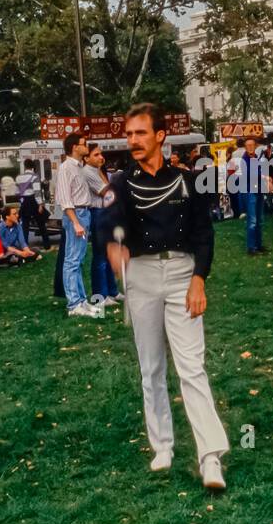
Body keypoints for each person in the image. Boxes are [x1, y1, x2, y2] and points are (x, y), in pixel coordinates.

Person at [104, 103, 230, 490]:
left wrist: (199, 280)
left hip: (181, 274)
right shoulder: (120, 184)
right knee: (151, 367)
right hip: (141, 276)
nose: (133, 141)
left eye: (140, 133)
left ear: (160, 136)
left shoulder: (188, 181)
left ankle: (211, 456)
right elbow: (111, 227)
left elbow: (204, 235)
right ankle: (162, 445)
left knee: (191, 366)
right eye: (129, 135)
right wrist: (114, 248)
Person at [54, 133, 101, 317]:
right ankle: (74, 304)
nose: (86, 147)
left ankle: (81, 300)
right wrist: (75, 222)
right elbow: (65, 200)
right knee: (72, 261)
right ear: (75, 147)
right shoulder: (66, 168)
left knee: (78, 260)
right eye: (84, 144)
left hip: (84, 213)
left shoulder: (79, 167)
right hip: (76, 215)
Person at [83, 143, 121, 302]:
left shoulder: (97, 171)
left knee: (107, 253)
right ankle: (101, 294)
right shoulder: (88, 172)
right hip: (98, 212)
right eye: (96, 155)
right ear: (86, 158)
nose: (101, 157)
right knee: (100, 255)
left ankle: (112, 291)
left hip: (105, 212)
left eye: (100, 154)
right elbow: (108, 192)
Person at [14, 159, 50, 246]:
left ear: (25, 166)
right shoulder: (34, 176)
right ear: (33, 167)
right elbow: (37, 191)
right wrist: (40, 204)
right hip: (33, 200)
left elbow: (17, 192)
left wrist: (21, 201)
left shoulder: (18, 177)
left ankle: (25, 245)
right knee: (41, 223)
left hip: (24, 201)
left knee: (25, 225)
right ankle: (46, 244)